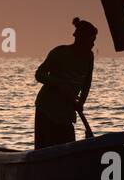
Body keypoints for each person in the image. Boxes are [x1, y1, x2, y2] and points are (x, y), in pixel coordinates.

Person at [33, 18, 98, 149]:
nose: (93, 44)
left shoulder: (89, 57)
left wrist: (81, 103)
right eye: (91, 40)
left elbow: (87, 83)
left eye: (94, 40)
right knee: (44, 151)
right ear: (80, 38)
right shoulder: (60, 53)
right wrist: (59, 84)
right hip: (47, 110)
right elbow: (39, 74)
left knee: (68, 148)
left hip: (66, 114)